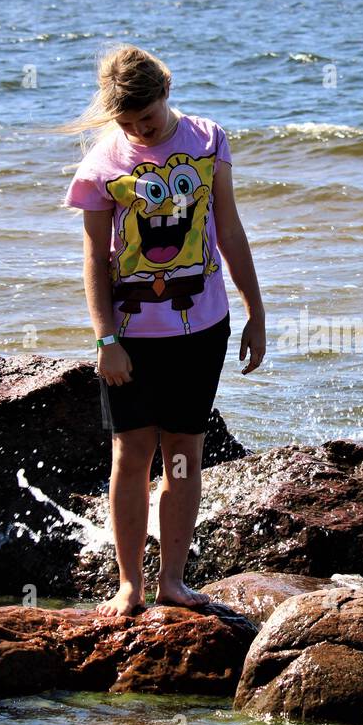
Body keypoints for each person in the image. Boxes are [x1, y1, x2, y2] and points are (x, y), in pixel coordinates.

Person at [59, 45, 266, 617]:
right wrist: (106, 339)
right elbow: (94, 259)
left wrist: (256, 311)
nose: (139, 132)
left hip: (202, 330)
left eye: (146, 119)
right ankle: (129, 585)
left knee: (183, 456)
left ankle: (172, 581)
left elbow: (229, 229)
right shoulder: (103, 163)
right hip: (131, 338)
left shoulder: (208, 140)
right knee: (130, 457)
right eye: (127, 123)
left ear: (166, 92)